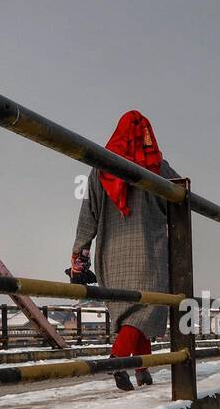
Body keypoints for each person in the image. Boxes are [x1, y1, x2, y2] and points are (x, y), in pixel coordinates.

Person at [71, 110, 178, 391]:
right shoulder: (159, 169)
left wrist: (79, 254)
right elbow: (182, 199)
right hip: (149, 253)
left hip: (110, 255)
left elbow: (87, 216)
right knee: (147, 308)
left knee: (132, 312)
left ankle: (142, 369)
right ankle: (117, 361)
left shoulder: (100, 168)